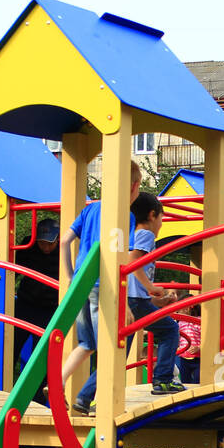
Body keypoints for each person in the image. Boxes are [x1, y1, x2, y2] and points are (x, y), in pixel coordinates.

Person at [61, 161, 142, 415]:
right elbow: (120, 260)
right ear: (133, 186)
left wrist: (71, 277)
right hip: (102, 286)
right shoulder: (124, 216)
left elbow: (64, 242)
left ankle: (59, 382)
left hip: (80, 285)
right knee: (110, 345)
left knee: (87, 343)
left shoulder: (90, 210)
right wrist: (126, 302)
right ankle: (99, 401)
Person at [126, 193, 184, 394]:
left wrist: (161, 300)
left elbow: (135, 286)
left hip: (132, 300)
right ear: (152, 215)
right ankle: (162, 379)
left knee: (120, 351)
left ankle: (86, 395)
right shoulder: (146, 234)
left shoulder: (133, 233)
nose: (161, 224)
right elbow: (132, 261)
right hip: (135, 301)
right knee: (169, 330)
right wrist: (150, 286)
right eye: (162, 218)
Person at [11, 217, 61, 378]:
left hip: (50, 308)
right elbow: (14, 271)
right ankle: (4, 387)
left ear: (58, 238)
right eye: (42, 243)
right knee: (11, 345)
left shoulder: (66, 249)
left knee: (41, 355)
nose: (46, 247)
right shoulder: (28, 246)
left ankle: (37, 398)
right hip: (26, 304)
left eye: (50, 243)